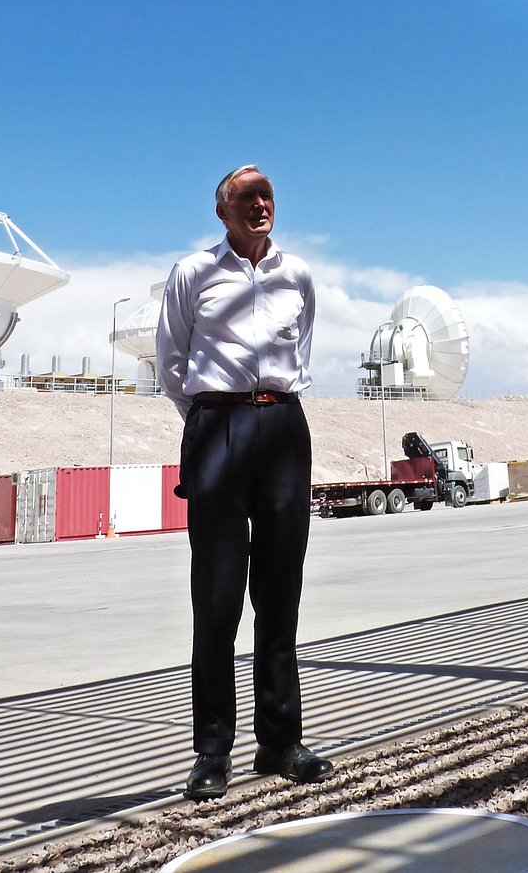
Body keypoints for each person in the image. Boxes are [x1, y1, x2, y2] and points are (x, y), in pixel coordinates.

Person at [156, 164, 333, 802]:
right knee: (218, 596)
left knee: (280, 590)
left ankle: (281, 742)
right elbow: (171, 362)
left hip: (284, 426)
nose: (261, 205)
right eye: (247, 197)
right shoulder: (192, 275)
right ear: (222, 211)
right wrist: (209, 419)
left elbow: (302, 349)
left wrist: (267, 407)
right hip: (218, 428)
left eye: (268, 196)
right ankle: (211, 752)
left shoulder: (298, 275)